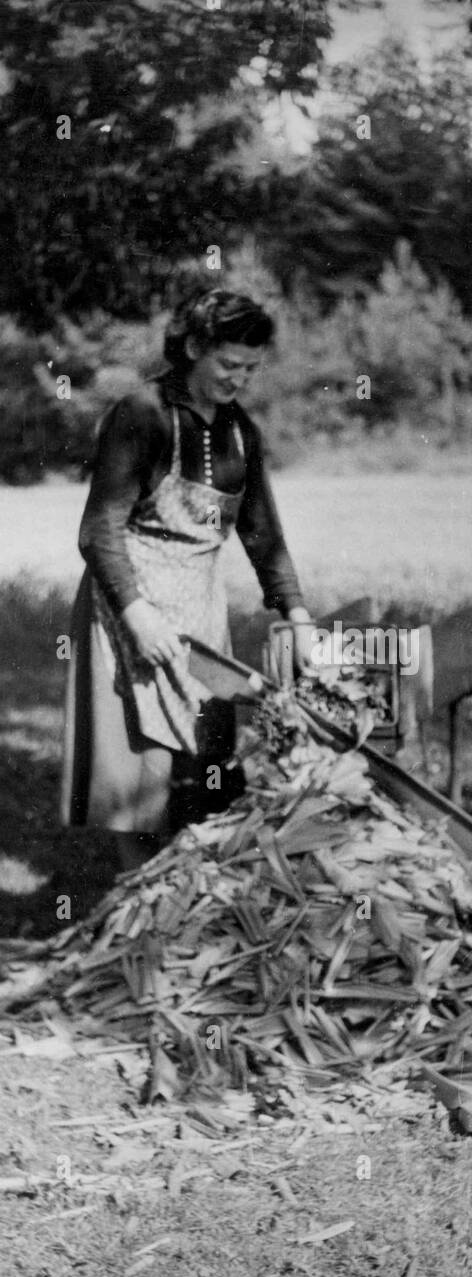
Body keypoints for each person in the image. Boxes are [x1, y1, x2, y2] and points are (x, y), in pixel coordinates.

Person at [60, 286, 314, 870]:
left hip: (200, 615)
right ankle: (138, 906)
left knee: (205, 774)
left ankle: (189, 904)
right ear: (194, 347)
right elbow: (97, 531)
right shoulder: (142, 414)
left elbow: (262, 533)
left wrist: (297, 615)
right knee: (139, 782)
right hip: (129, 614)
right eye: (229, 364)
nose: (239, 379)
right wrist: (137, 614)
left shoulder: (239, 433)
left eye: (251, 368)